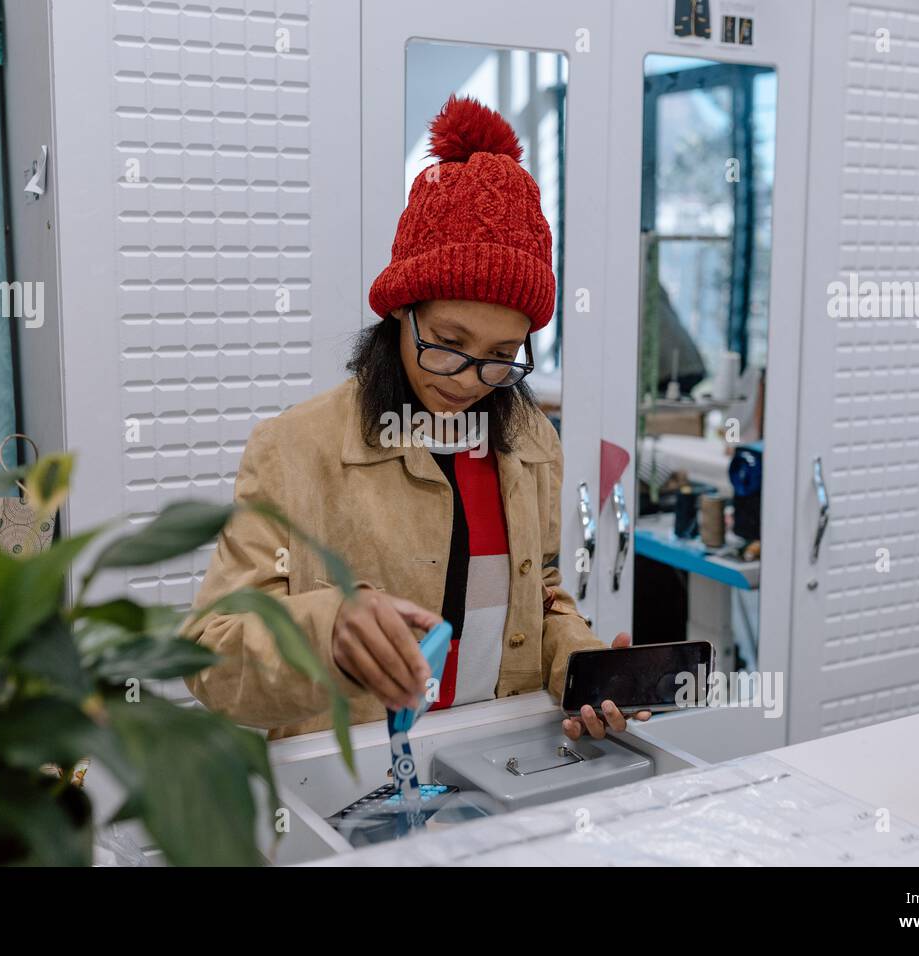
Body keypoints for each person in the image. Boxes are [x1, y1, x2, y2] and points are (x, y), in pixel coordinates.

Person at [183, 95, 651, 742]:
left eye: (500, 357)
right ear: (400, 313)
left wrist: (581, 664)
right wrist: (327, 633)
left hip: (495, 762)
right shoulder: (297, 449)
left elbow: (539, 595)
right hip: (352, 781)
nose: (468, 380)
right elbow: (211, 657)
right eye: (448, 341)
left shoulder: (531, 442)